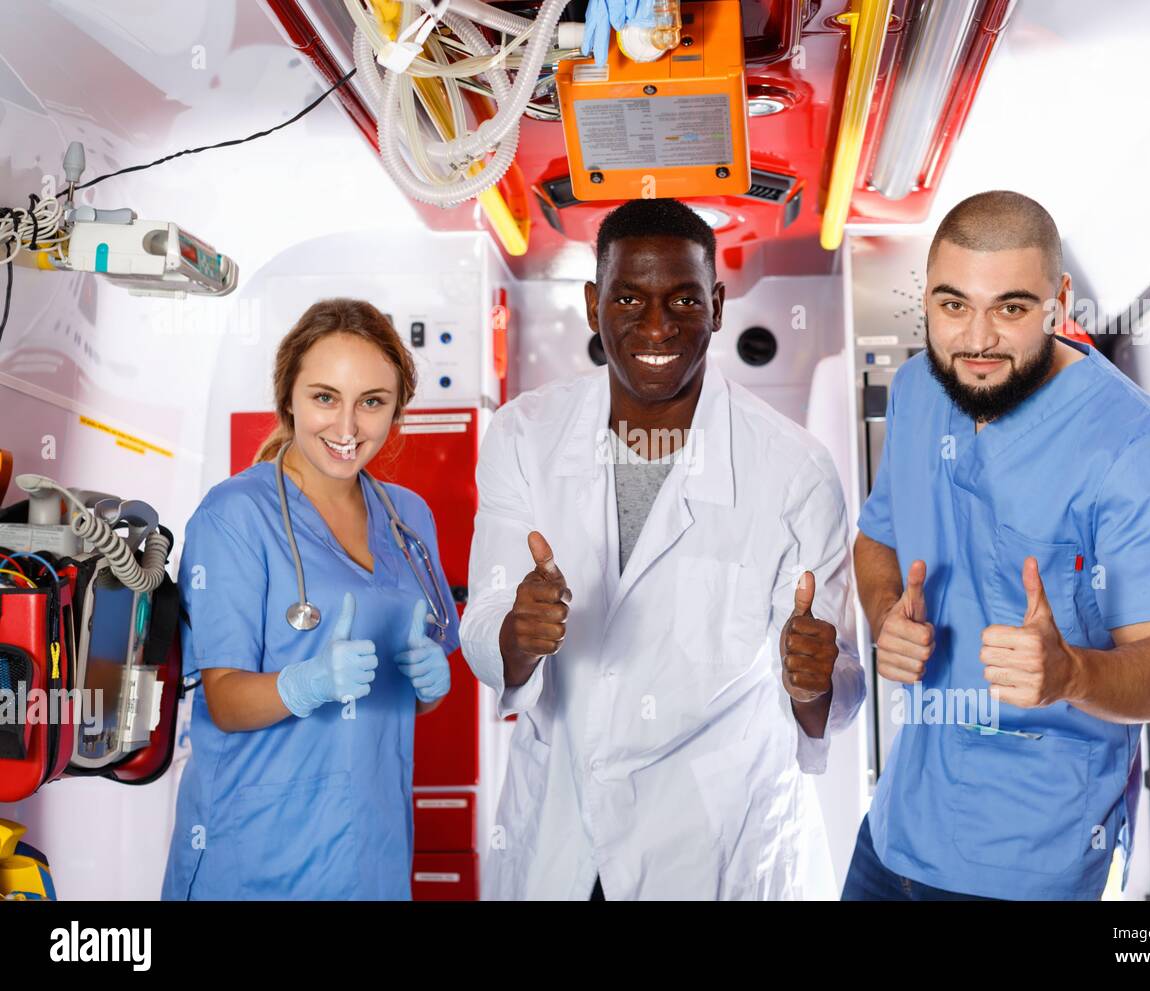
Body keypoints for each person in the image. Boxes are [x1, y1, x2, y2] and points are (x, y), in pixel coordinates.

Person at [460, 198, 865, 900]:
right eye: (629, 298)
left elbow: (838, 681)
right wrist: (515, 631)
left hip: (714, 847)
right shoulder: (524, 437)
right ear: (593, 305)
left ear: (716, 303)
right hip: (566, 832)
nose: (656, 326)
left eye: (683, 299)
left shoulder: (794, 469)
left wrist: (815, 683)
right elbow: (485, 626)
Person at [844, 191, 1150, 901]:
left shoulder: (1134, 443)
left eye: (1010, 308)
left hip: (1026, 860)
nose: (976, 340)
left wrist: (1070, 674)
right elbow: (875, 538)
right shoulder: (917, 389)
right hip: (896, 830)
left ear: (1058, 301)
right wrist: (886, 613)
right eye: (952, 306)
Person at [161, 298, 458, 900]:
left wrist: (428, 687)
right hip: (256, 849)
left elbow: (398, 701)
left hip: (372, 848)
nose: (347, 429)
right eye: (325, 397)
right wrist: (309, 682)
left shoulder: (409, 519)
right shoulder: (235, 517)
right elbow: (224, 701)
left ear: (395, 408)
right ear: (288, 398)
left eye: (371, 402)